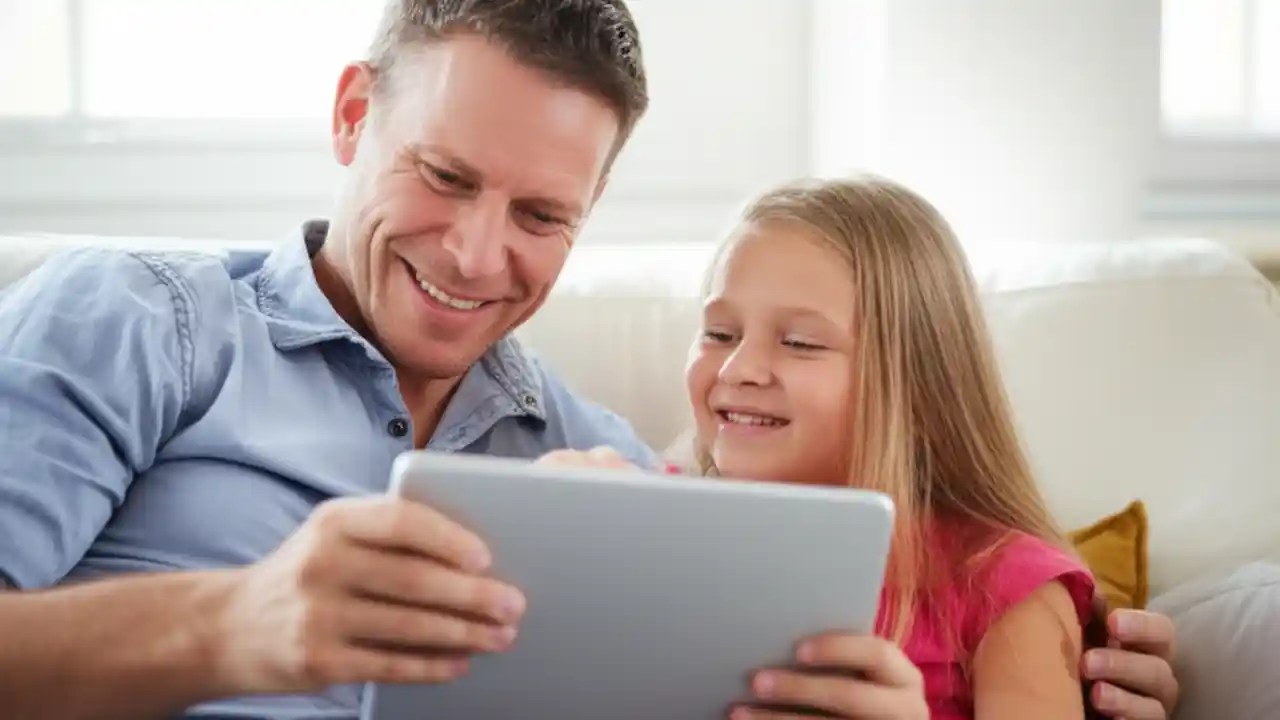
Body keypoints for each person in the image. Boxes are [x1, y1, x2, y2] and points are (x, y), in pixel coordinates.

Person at [0, 1, 1176, 718]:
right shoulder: (139, 321)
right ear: (354, 115)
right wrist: (235, 623)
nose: (475, 255)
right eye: (443, 176)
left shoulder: (601, 470)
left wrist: (1081, 673)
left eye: (540, 216)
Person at [537, 177, 1179, 719]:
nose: (738, 368)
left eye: (800, 343)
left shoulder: (1003, 585)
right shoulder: (654, 521)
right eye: (719, 333)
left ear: (916, 383)